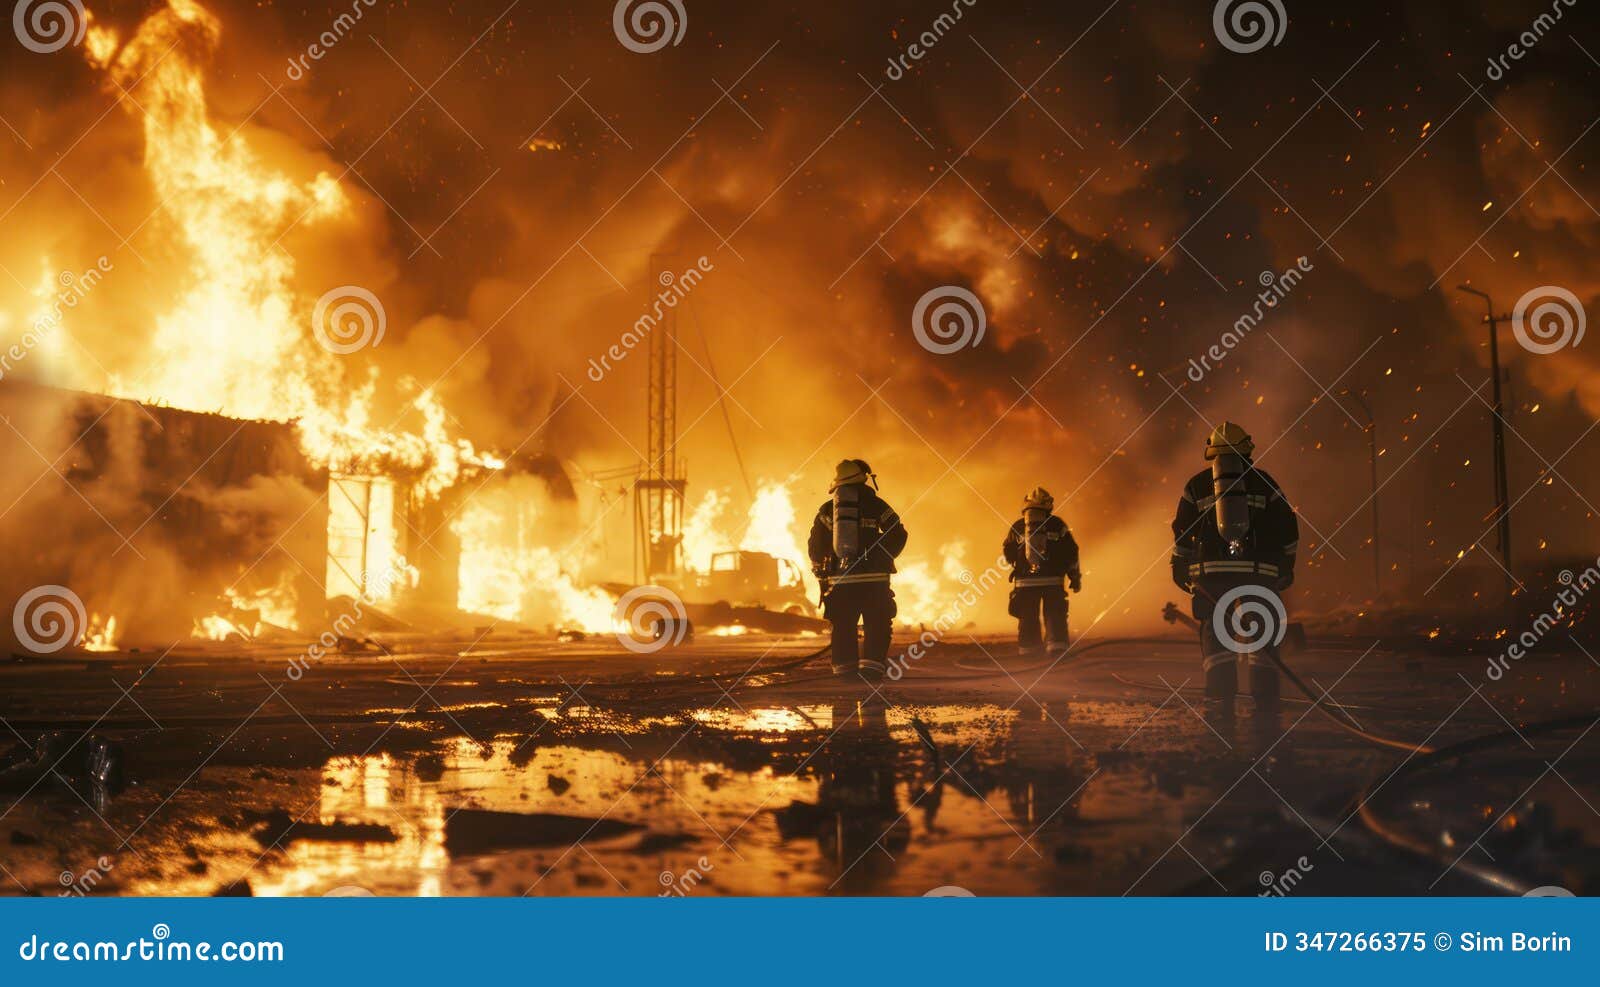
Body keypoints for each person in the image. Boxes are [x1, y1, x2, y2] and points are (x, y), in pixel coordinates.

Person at [1170, 422, 1299, 710]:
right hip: (1259, 574)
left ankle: (1220, 695)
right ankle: (1266, 698)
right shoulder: (1266, 483)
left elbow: (1182, 530)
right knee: (1262, 632)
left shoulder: (1196, 485)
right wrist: (1286, 563)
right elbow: (1288, 525)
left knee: (1217, 635)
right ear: (1246, 450)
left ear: (1211, 451)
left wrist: (1179, 563)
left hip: (1212, 575)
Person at [808, 459, 908, 681]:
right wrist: (881, 557)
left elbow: (815, 546)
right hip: (875, 581)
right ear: (863, 478)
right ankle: (872, 669)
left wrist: (823, 571)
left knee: (843, 624)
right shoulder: (877, 505)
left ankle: (844, 671)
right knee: (877, 622)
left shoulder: (827, 510)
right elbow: (898, 533)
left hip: (841, 581)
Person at [1002, 487, 1081, 655]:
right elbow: (1072, 552)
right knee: (1055, 614)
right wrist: (1074, 577)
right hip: (1053, 581)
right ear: (1048, 505)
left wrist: (1020, 565)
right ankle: (1056, 646)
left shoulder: (1017, 526)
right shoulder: (1058, 524)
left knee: (1028, 617)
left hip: (1024, 582)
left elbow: (1008, 550)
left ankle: (1028, 650)